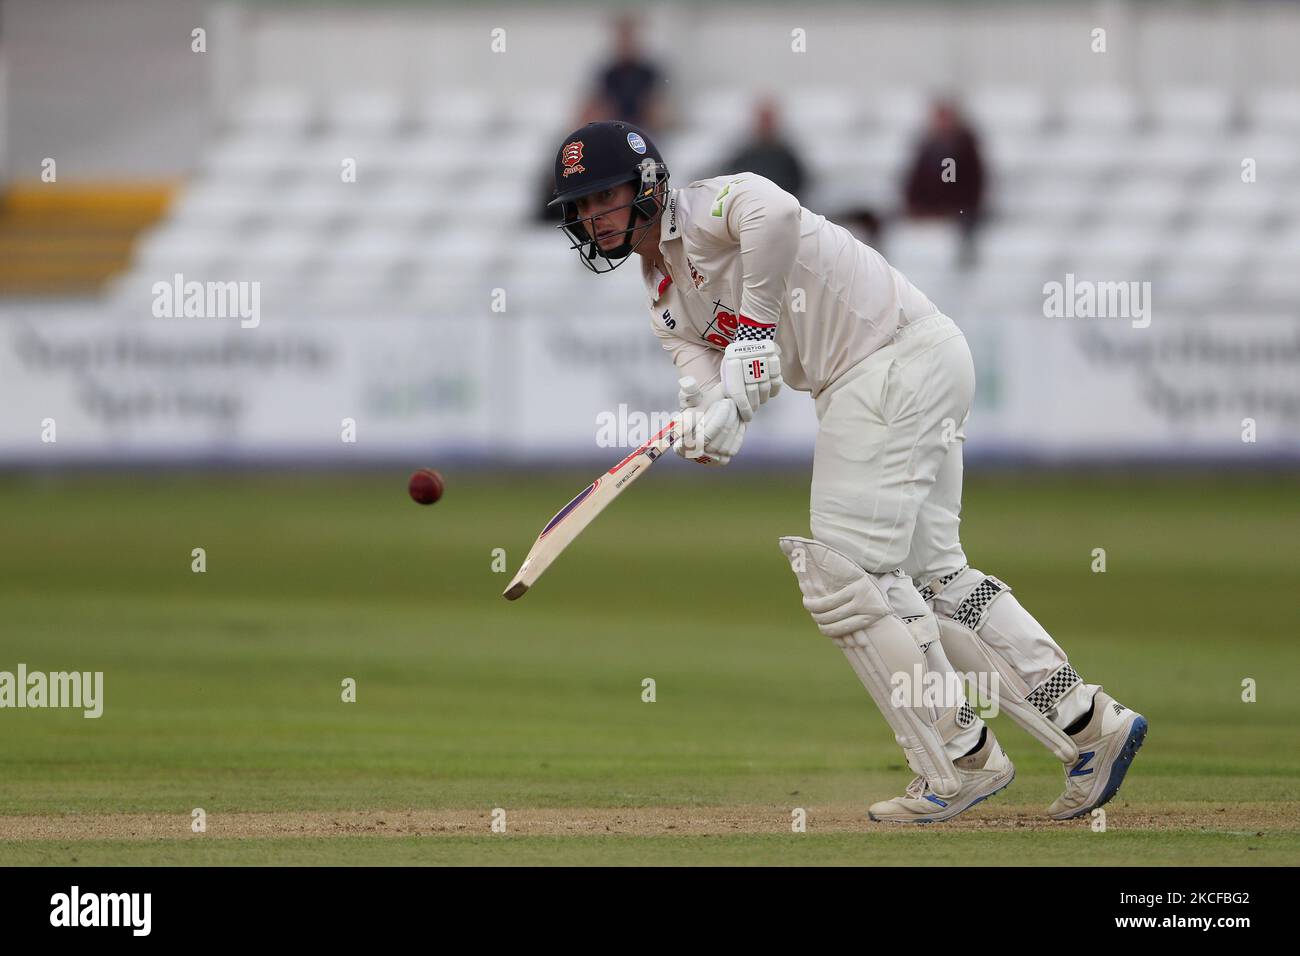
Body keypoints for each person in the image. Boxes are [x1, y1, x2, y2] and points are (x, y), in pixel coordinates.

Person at [544, 120, 1147, 823]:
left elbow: (778, 213)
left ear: (648, 187)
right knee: (936, 579)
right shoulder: (663, 299)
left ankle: (959, 757)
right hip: (895, 369)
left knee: (844, 572)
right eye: (581, 207)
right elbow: (712, 385)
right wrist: (714, 424)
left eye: (604, 197)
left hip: (890, 359)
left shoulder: (710, 206)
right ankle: (1089, 725)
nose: (593, 217)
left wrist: (755, 328)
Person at [717, 98, 808, 199]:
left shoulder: (788, 157)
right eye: (763, 120)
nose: (765, 125)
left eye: (768, 120)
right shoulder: (742, 155)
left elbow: (799, 184)